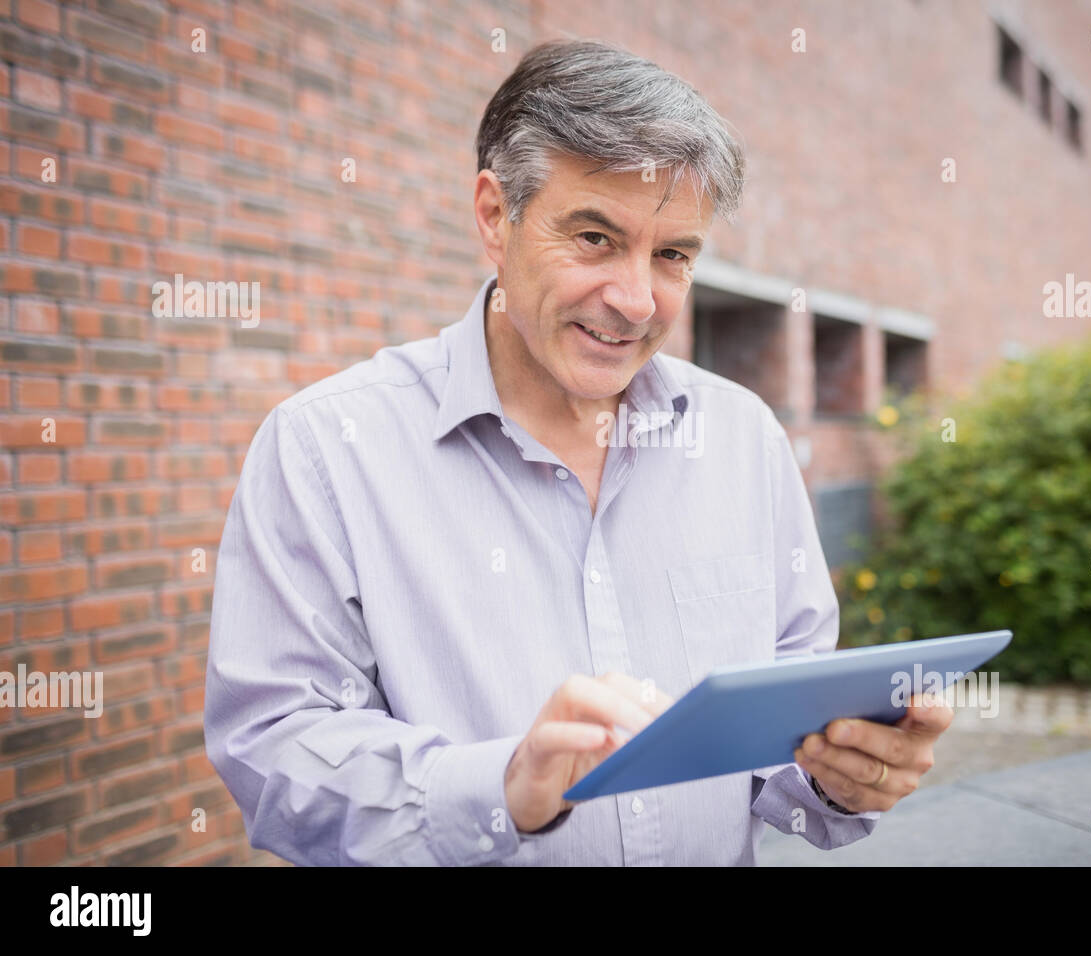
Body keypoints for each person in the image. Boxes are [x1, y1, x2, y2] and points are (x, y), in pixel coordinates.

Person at [204, 37, 954, 866]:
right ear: (496, 217)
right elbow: (274, 753)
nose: (635, 300)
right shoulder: (325, 447)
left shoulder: (744, 437)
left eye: (672, 255)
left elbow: (778, 737)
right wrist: (501, 789)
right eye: (595, 237)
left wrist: (839, 777)